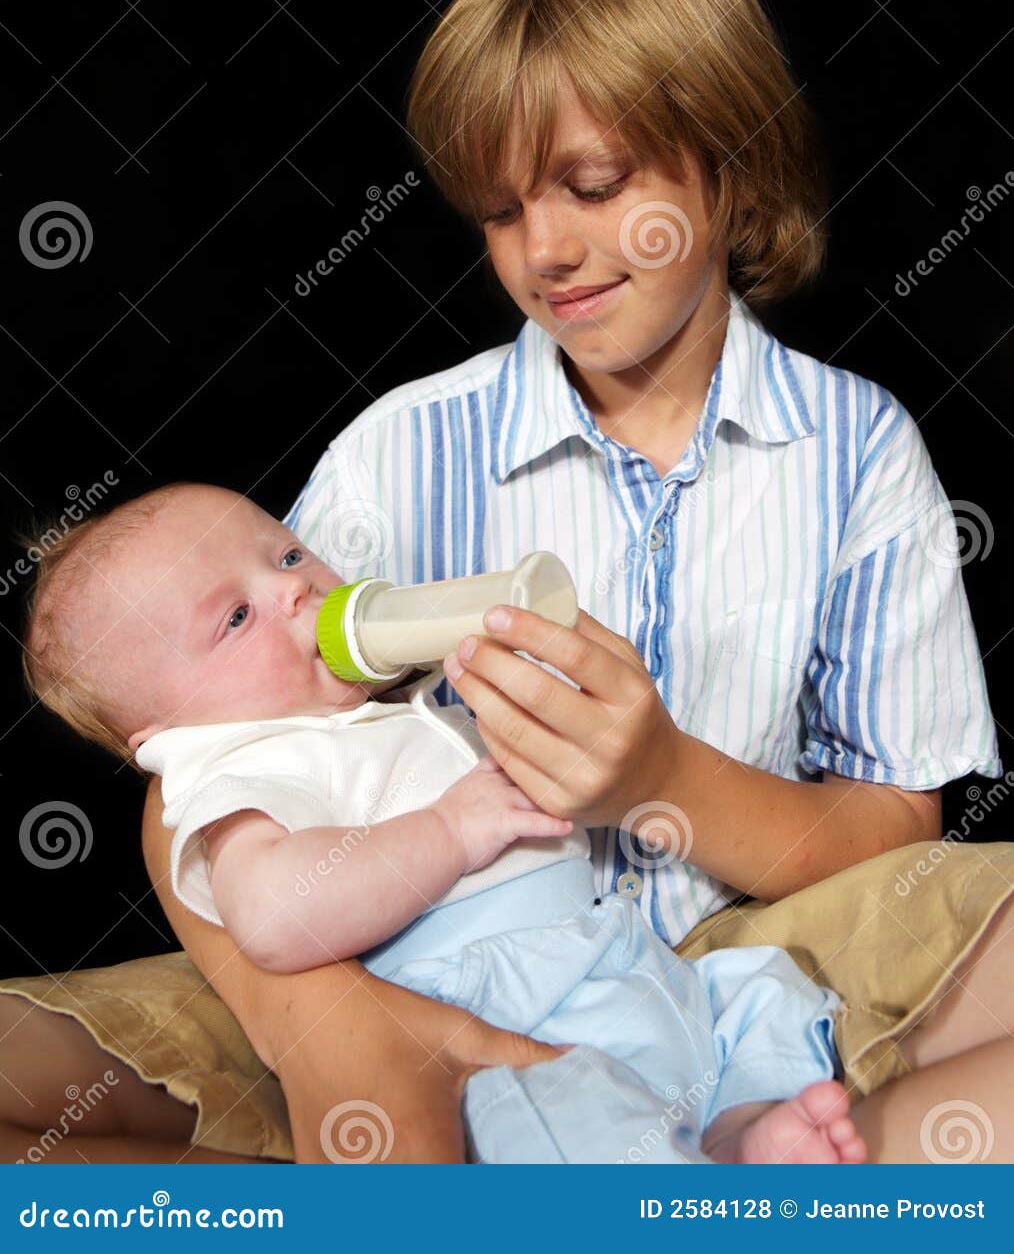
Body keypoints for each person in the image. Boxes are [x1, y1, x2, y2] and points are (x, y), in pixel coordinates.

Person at [8, 0, 1014, 1164]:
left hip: (742, 958)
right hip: (409, 968)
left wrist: (661, 781)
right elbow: (202, 767)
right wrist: (331, 1028)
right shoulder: (405, 453)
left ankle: (707, 1158)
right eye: (498, 208)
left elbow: (892, 829)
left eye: (592, 187)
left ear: (731, 164)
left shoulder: (859, 454)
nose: (546, 250)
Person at [20, 480, 865, 1165]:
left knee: (762, 988)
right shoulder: (238, 775)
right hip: (506, 1009)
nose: (294, 587)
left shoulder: (403, 707)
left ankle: (741, 1132)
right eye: (235, 616)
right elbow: (275, 917)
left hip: (625, 965)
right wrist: (448, 834)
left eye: (285, 551)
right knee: (551, 1115)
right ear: (168, 738)